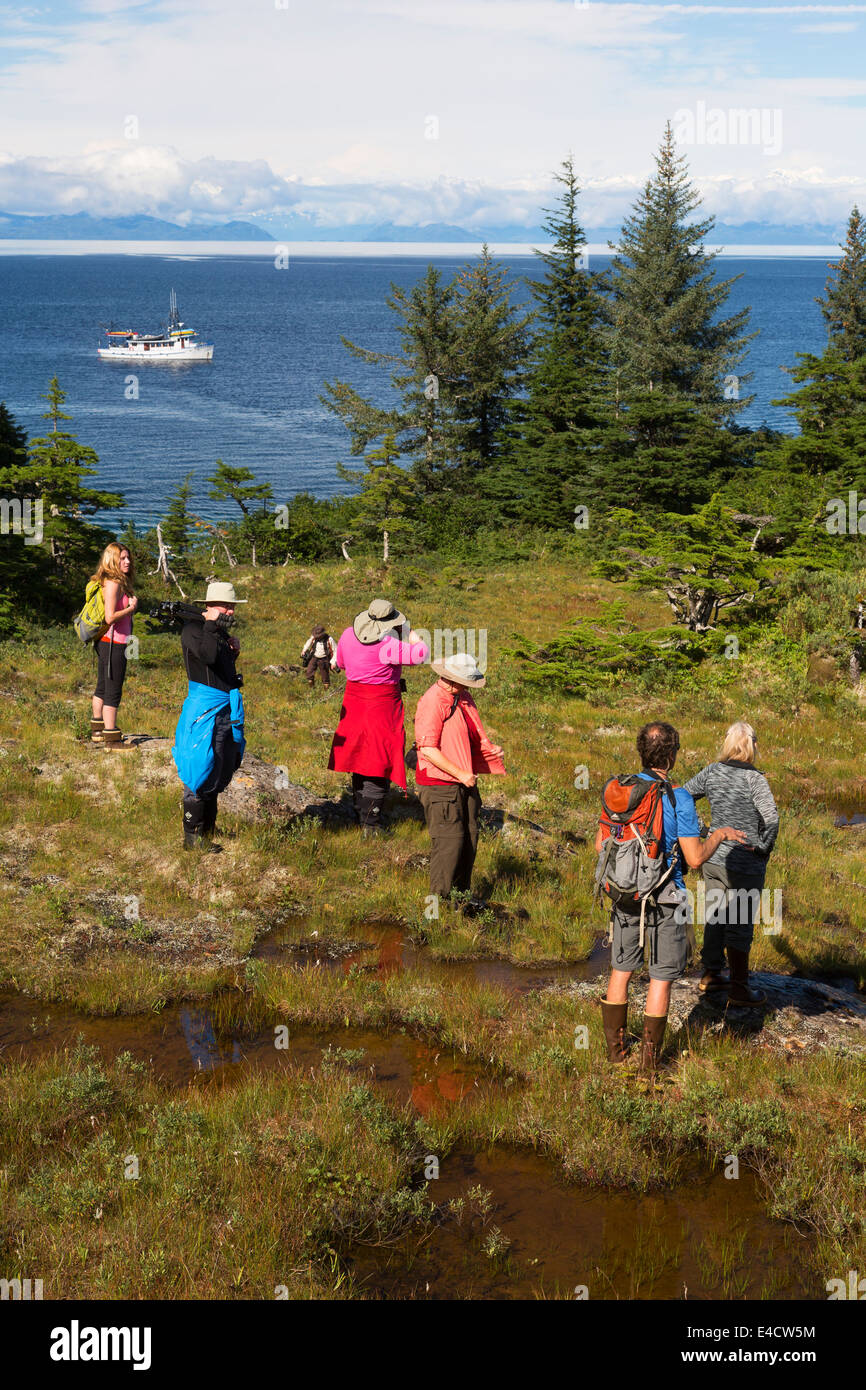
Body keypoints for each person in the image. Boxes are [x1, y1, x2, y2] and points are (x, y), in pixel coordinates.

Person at [595, 721, 748, 1072]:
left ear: (641, 752)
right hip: (667, 897)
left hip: (623, 892)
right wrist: (719, 835)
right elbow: (694, 859)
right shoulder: (677, 797)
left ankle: (616, 1055)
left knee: (621, 969)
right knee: (660, 977)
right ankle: (650, 1065)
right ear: (673, 755)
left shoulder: (619, 790)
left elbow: (600, 844)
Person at [684, 722, 779, 1005]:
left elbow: (682, 797)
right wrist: (762, 848)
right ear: (752, 746)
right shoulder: (756, 780)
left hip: (713, 858)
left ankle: (711, 975)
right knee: (739, 923)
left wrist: (702, 831)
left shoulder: (712, 771)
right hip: (744, 863)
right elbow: (772, 820)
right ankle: (739, 989)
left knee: (715, 914)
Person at [328, 598, 428, 833]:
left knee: (359, 758)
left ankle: (361, 813)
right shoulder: (390, 646)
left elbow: (340, 663)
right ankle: (371, 824)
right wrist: (409, 632)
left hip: (353, 704)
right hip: (381, 708)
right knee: (379, 761)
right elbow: (422, 653)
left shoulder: (346, 635)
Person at [414, 651, 505, 905]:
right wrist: (461, 774)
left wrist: (489, 751)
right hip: (440, 785)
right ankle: (435, 909)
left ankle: (460, 900)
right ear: (452, 679)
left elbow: (461, 736)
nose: (468, 686)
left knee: (469, 840)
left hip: (463, 782)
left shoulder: (461, 697)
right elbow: (428, 749)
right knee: (448, 846)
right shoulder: (433, 702)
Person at [171, 581, 246, 851]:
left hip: (224, 710)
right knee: (198, 766)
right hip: (204, 711)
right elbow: (206, 654)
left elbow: (220, 669)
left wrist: (232, 651)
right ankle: (192, 838)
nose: (231, 612)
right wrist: (213, 627)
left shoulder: (218, 633)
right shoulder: (193, 630)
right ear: (211, 606)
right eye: (227, 607)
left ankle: (208, 830)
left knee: (219, 764)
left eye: (232, 607)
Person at [90, 542, 138, 748]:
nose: (127, 561)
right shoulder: (113, 583)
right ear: (112, 559)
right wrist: (131, 608)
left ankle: (97, 732)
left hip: (108, 642)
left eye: (128, 558)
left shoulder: (110, 580)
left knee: (102, 686)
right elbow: (110, 617)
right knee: (113, 689)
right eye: (122, 558)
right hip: (114, 643)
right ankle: (111, 738)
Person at [301, 624, 337, 688]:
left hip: (324, 659)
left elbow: (336, 651)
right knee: (309, 673)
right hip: (314, 657)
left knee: (325, 678)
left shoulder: (329, 639)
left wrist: (333, 662)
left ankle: (326, 693)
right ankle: (312, 689)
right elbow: (308, 642)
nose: (316, 636)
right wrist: (304, 650)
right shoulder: (314, 637)